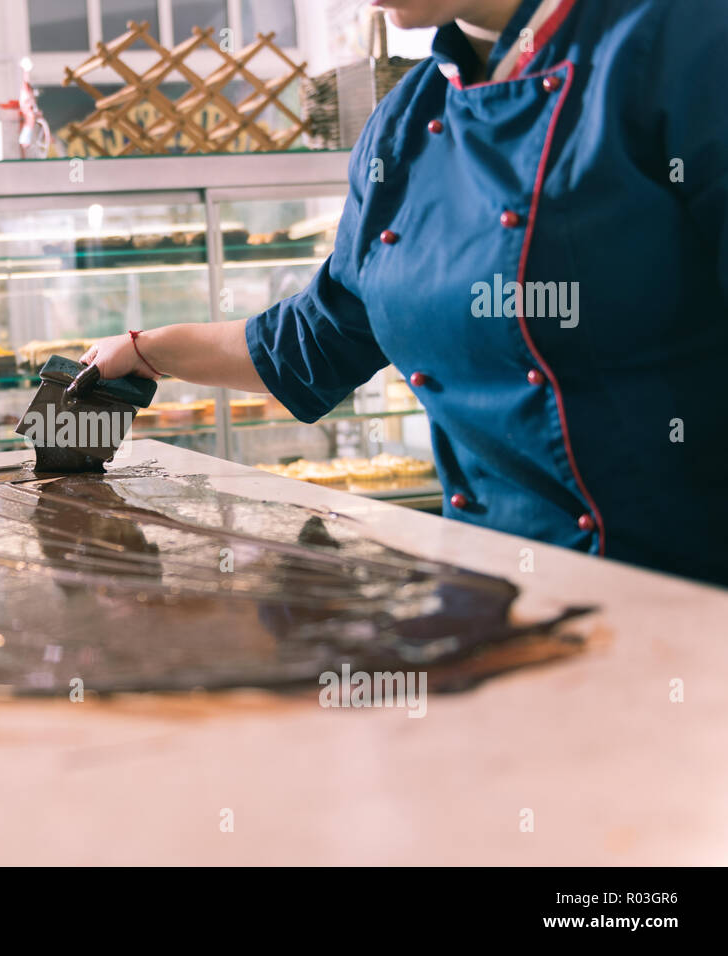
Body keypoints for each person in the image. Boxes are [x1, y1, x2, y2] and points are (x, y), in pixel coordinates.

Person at [81, 0, 728, 587]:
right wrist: (148, 351)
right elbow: (322, 336)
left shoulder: (682, 45)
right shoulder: (408, 118)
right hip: (490, 589)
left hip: (678, 592)